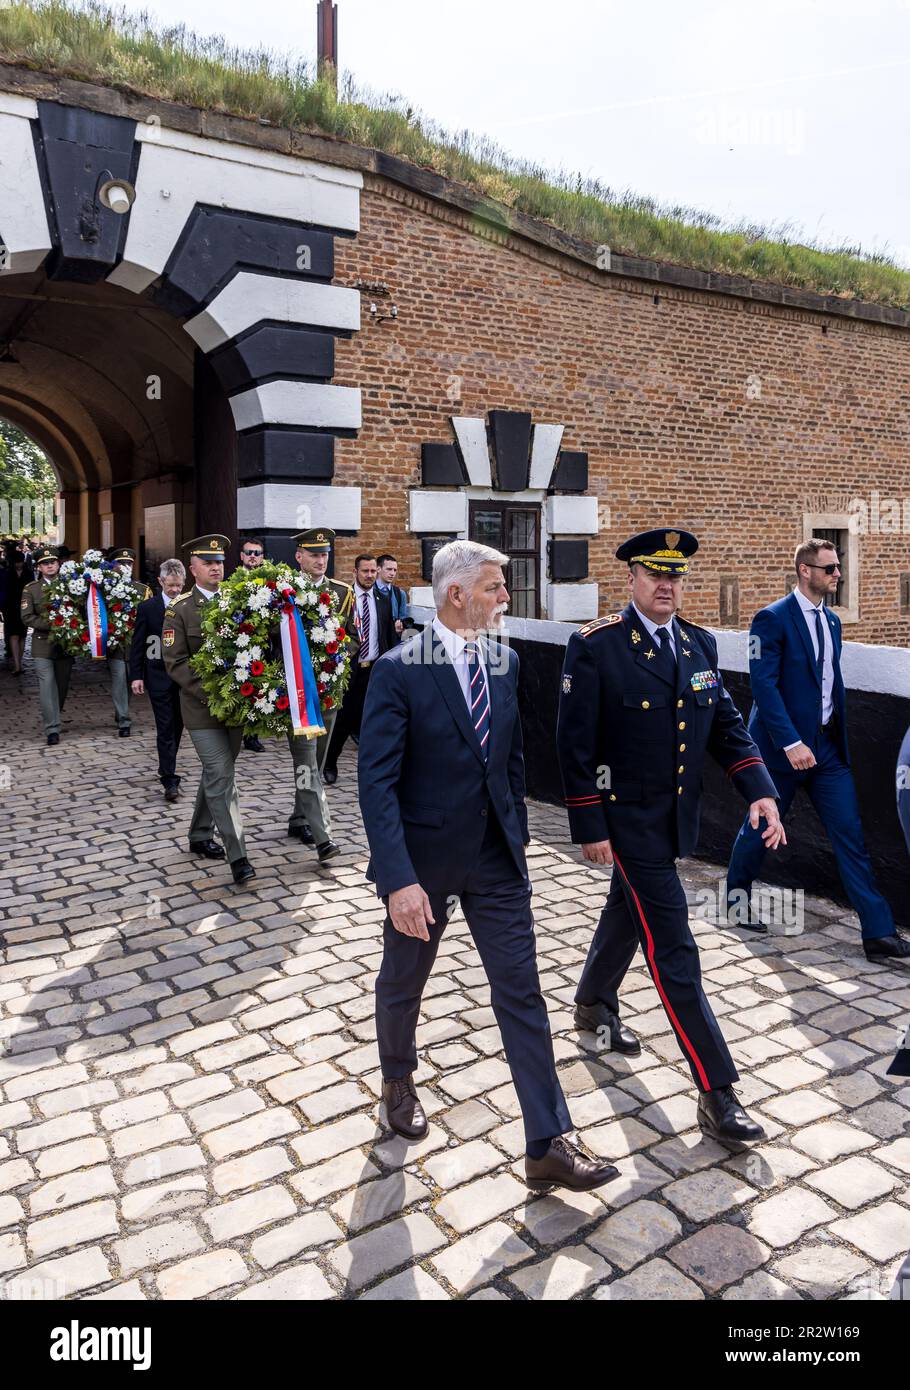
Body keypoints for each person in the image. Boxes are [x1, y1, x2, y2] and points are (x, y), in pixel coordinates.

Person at [358, 539, 618, 1193]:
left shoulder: (503, 662)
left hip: (497, 859)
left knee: (522, 992)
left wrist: (519, 837)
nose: (506, 599)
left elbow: (512, 760)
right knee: (403, 981)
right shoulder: (399, 671)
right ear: (457, 594)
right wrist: (398, 880)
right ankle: (397, 1079)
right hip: (424, 864)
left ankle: (547, 1142)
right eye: (497, 588)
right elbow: (376, 784)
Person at [557, 528, 785, 1151]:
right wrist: (590, 824)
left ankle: (593, 1002)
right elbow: (574, 748)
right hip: (626, 823)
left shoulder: (699, 643)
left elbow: (727, 727)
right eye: (654, 574)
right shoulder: (598, 647)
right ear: (631, 578)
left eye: (676, 576)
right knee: (675, 948)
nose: (666, 585)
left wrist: (760, 789)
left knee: (625, 914)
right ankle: (718, 1093)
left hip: (673, 821)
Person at [725, 537, 906, 961]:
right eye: (830, 568)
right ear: (805, 571)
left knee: (851, 836)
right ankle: (735, 901)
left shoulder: (833, 622)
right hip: (778, 750)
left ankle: (878, 934)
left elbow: (828, 683)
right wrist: (790, 742)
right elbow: (763, 686)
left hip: (826, 752)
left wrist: (823, 739)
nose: (838, 574)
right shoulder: (769, 619)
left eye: (838, 567)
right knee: (759, 830)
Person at [162, 535, 255, 886]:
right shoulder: (179, 609)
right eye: (208, 562)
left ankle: (200, 833)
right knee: (221, 774)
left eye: (219, 562)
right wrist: (213, 693)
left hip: (235, 711)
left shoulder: (238, 600)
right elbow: (175, 662)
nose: (216, 567)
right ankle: (238, 854)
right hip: (202, 711)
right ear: (193, 568)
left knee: (218, 773)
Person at [283, 528, 348, 859]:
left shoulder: (341, 593)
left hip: (329, 693)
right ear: (299, 557)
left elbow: (347, 636)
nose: (320, 560)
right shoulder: (284, 592)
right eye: (313, 554)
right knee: (306, 763)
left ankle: (299, 818)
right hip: (298, 696)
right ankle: (324, 837)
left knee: (316, 762)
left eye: (324, 554)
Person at [323, 554, 396, 785]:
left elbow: (388, 635)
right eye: (365, 571)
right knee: (342, 721)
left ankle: (372, 771)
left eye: (373, 571)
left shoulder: (383, 599)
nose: (370, 576)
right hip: (350, 668)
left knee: (373, 722)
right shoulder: (345, 598)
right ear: (355, 572)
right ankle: (330, 762)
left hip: (374, 669)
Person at [130, 559, 186, 803]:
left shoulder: (188, 605)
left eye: (179, 585)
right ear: (161, 582)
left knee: (178, 725)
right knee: (165, 726)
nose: (175, 590)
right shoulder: (148, 608)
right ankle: (169, 778)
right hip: (157, 675)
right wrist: (136, 675)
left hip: (183, 678)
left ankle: (167, 762)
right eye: (171, 585)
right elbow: (137, 644)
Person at [20, 545, 74, 745]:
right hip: (42, 643)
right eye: (45, 564)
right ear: (39, 568)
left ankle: (55, 715)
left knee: (61, 687)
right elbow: (27, 617)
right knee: (46, 685)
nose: (50, 566)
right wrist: (51, 624)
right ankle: (52, 728)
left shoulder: (70, 585)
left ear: (58, 563)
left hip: (66, 644)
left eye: (52, 562)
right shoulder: (31, 589)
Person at [106, 547, 151, 739]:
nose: (126, 567)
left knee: (130, 681)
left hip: (135, 645)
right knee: (118, 680)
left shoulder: (142, 590)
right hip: (116, 645)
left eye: (129, 563)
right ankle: (124, 720)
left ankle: (120, 711)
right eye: (121, 563)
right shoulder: (105, 589)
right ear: (113, 566)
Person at [235, 537, 267, 753]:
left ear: (262, 557)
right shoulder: (233, 581)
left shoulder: (269, 581)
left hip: (263, 643)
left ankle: (252, 735)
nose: (253, 556)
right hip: (239, 642)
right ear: (242, 556)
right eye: (249, 553)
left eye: (257, 553)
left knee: (259, 688)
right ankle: (237, 730)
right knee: (239, 687)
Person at [1, 542, 33, 674]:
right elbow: (3, 592)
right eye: (16, 562)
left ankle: (19, 662)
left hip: (24, 607)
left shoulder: (29, 573)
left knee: (22, 636)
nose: (19, 564)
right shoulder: (7, 574)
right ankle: (17, 665)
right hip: (10, 608)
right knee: (13, 635)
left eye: (20, 561)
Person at [375, 553, 409, 640]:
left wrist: (400, 628)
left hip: (391, 641)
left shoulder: (400, 594)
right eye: (389, 569)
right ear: (378, 569)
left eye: (395, 570)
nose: (392, 573)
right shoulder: (369, 591)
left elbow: (403, 619)